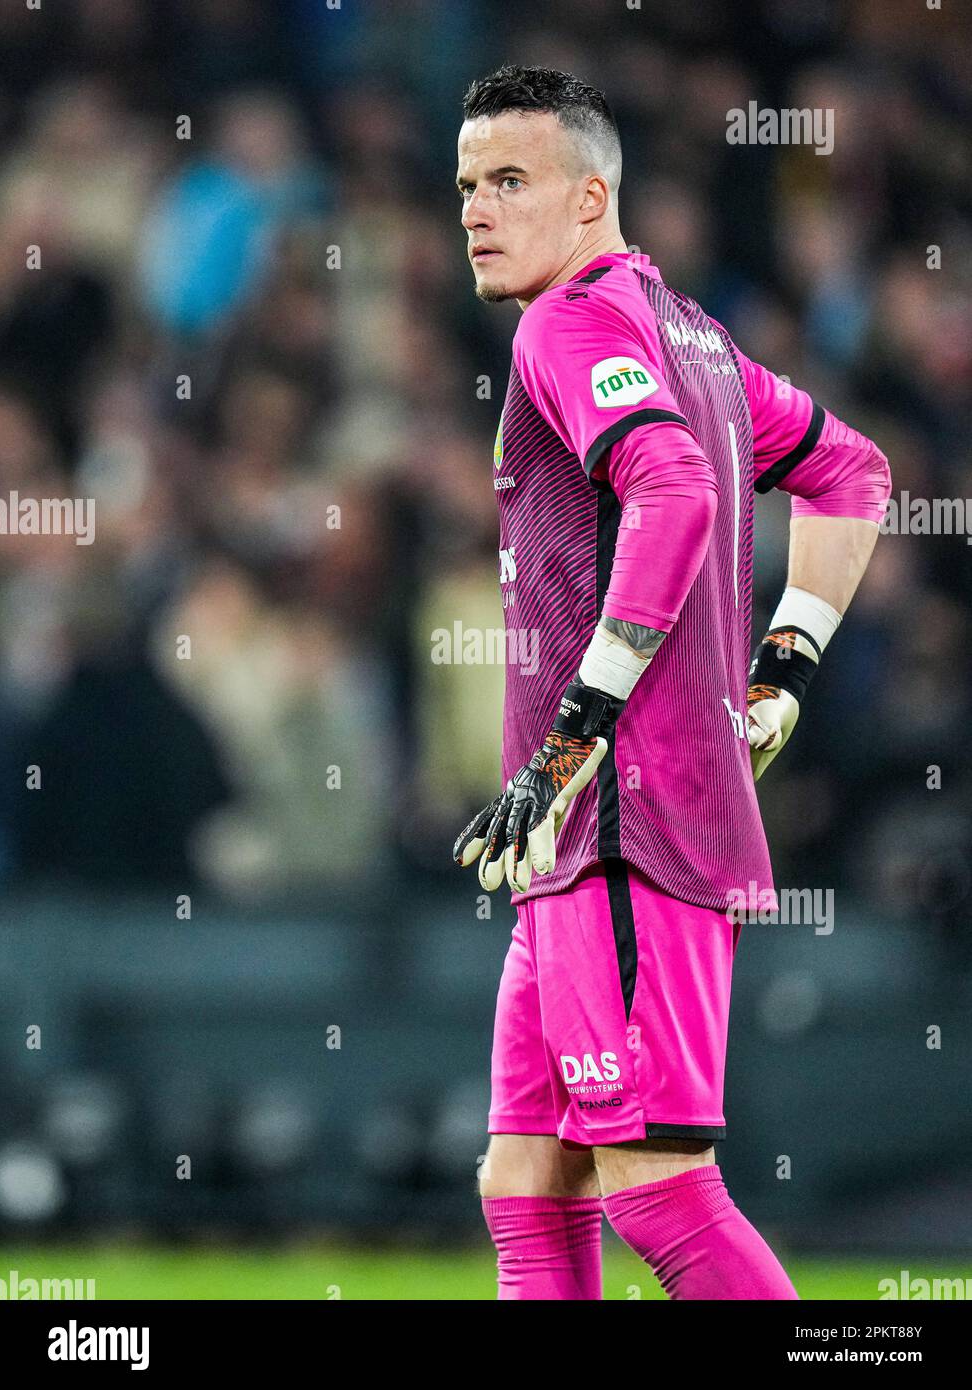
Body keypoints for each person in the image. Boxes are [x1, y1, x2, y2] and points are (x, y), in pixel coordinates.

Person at [452, 65, 891, 1301]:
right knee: (526, 1187)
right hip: (582, 837)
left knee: (660, 1199)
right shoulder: (690, 336)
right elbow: (850, 470)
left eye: (509, 182)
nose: (476, 211)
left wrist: (571, 734)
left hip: (619, 821)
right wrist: (786, 667)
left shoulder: (569, 323)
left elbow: (677, 491)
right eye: (466, 185)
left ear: (590, 198)